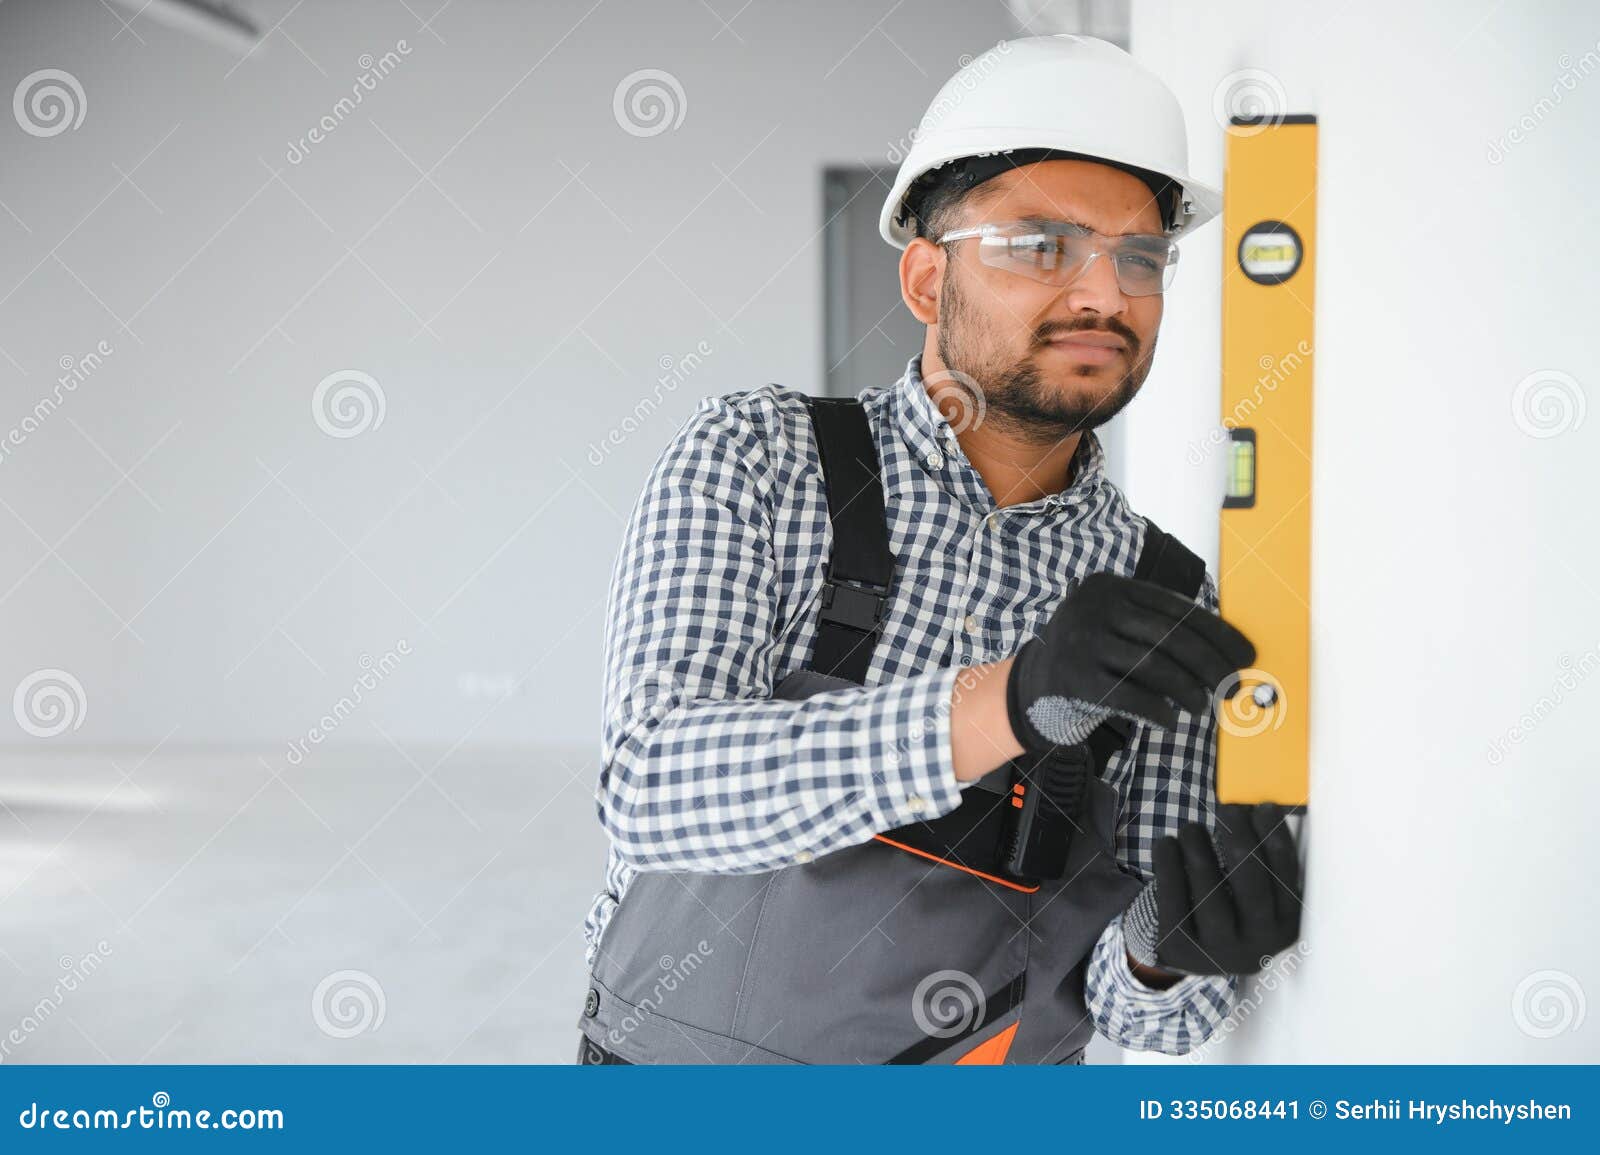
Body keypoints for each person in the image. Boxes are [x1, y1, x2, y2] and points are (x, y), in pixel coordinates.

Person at [576, 34, 1302, 1066]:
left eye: (1137, 257)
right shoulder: (761, 459)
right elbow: (653, 793)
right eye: (1040, 247)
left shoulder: (1167, 597)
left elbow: (1140, 1016)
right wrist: (1006, 702)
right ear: (925, 279)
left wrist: (1161, 953)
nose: (1103, 295)